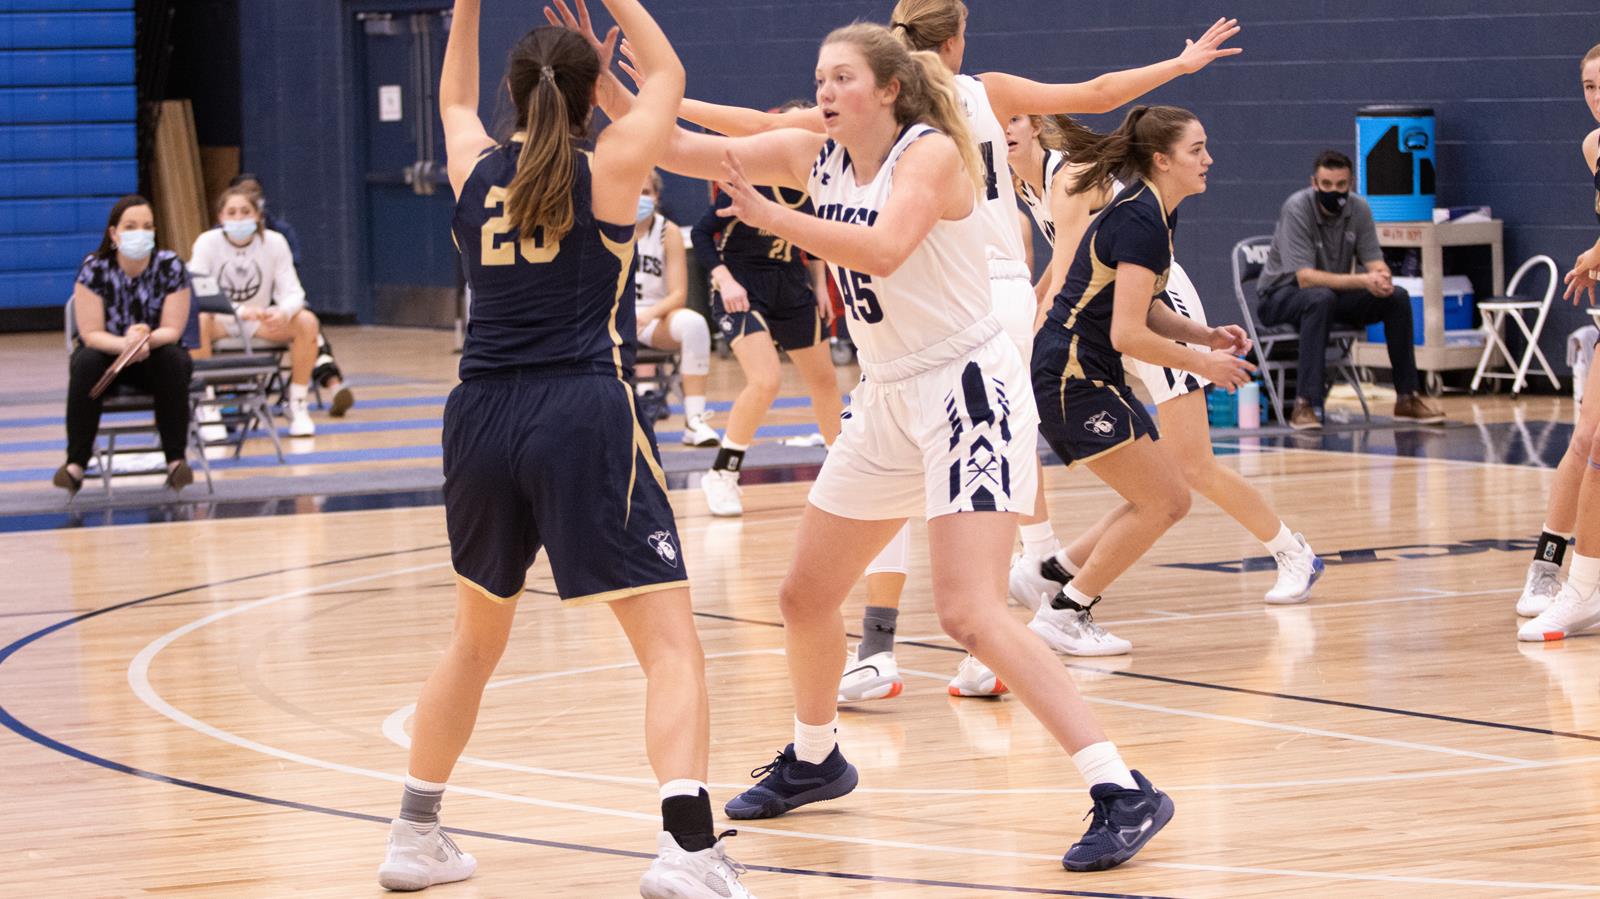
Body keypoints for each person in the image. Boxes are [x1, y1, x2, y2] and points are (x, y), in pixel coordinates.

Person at [593, 15, 1176, 873]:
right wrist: (606, 89)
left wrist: (775, 223)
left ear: (889, 88)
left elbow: (888, 250)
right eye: (819, 80)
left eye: (840, 80)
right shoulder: (811, 153)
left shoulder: (932, 153)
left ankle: (1121, 787)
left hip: (965, 387)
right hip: (890, 393)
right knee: (803, 594)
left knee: (968, 610)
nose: (824, 93)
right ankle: (817, 754)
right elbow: (677, 147)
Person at [634, 0, 1241, 698]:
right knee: (977, 472)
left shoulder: (890, 122)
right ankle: (1011, 618)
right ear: (956, 38)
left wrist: (664, 106)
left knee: (897, 464)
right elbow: (1101, 93)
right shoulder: (983, 93)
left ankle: (895, 642)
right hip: (986, 293)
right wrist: (1181, 63)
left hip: (943, 300)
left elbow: (766, 130)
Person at [379, 3, 752, 897]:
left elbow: (451, 94)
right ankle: (689, 851)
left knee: (474, 642)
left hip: (478, 416)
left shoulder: (473, 167)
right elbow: (667, 80)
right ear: (592, 99)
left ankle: (414, 832)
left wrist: (466, 5)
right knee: (671, 645)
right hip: (579, 409)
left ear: (513, 96)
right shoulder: (613, 167)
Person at [1007, 113, 1323, 644]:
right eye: (1197, 150)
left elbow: (1142, 309)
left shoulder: (1150, 212)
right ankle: (1063, 604)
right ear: (1161, 159)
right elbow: (1126, 328)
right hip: (1076, 367)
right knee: (1172, 490)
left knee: (1170, 485)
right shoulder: (1139, 218)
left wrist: (1204, 337)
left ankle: (1058, 578)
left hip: (1088, 358)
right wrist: (1205, 363)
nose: (1209, 160)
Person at [690, 111, 841, 518]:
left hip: (790, 284)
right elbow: (702, 234)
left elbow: (817, 239)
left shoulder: (818, 182)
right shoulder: (750, 176)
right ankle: (722, 473)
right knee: (766, 379)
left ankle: (844, 471)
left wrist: (821, 284)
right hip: (742, 284)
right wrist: (724, 278)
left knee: (825, 381)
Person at [1255, 150, 1446, 429]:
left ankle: (1407, 397)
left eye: (1341, 185)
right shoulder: (1296, 208)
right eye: (1327, 185)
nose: (1334, 191)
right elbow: (1306, 279)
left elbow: (1374, 261)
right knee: (1319, 298)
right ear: (1314, 183)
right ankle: (1305, 404)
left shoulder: (1359, 208)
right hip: (1281, 295)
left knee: (1397, 298)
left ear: (1351, 183)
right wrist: (1363, 281)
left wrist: (1381, 277)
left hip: (1330, 296)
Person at [1518, 42, 1600, 642]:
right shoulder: (1594, 146)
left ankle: (1583, 587)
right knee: (1587, 441)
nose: (1596, 97)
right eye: (1589, 87)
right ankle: (1552, 569)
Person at [190, 186, 355, 437]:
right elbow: (197, 292)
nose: (238, 218)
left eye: (245, 212)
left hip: (261, 320)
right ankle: (207, 406)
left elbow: (294, 292)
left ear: (257, 215)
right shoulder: (206, 242)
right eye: (231, 212)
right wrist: (239, 310)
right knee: (196, 320)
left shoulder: (275, 242)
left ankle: (297, 403)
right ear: (220, 217)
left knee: (307, 321)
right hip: (220, 320)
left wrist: (284, 312)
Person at [58, 195, 195, 495]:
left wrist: (145, 339)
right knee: (85, 362)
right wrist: (125, 343)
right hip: (108, 357)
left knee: (174, 359)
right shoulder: (94, 269)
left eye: (147, 226)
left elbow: (172, 329)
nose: (140, 232)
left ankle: (175, 460)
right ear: (113, 233)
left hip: (154, 355)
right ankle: (76, 464)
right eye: (131, 226)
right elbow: (91, 333)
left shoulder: (171, 266)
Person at [633, 168, 719, 446]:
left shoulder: (666, 232)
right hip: (612, 317)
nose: (639, 198)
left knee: (694, 324)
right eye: (633, 191)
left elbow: (679, 294)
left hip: (654, 316)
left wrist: (648, 315)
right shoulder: (605, 225)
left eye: (645, 192)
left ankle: (694, 421)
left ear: (656, 197)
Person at [228, 172, 304, 267]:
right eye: (245, 192)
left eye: (255, 191)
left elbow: (295, 260)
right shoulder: (216, 234)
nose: (251, 196)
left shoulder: (282, 231)